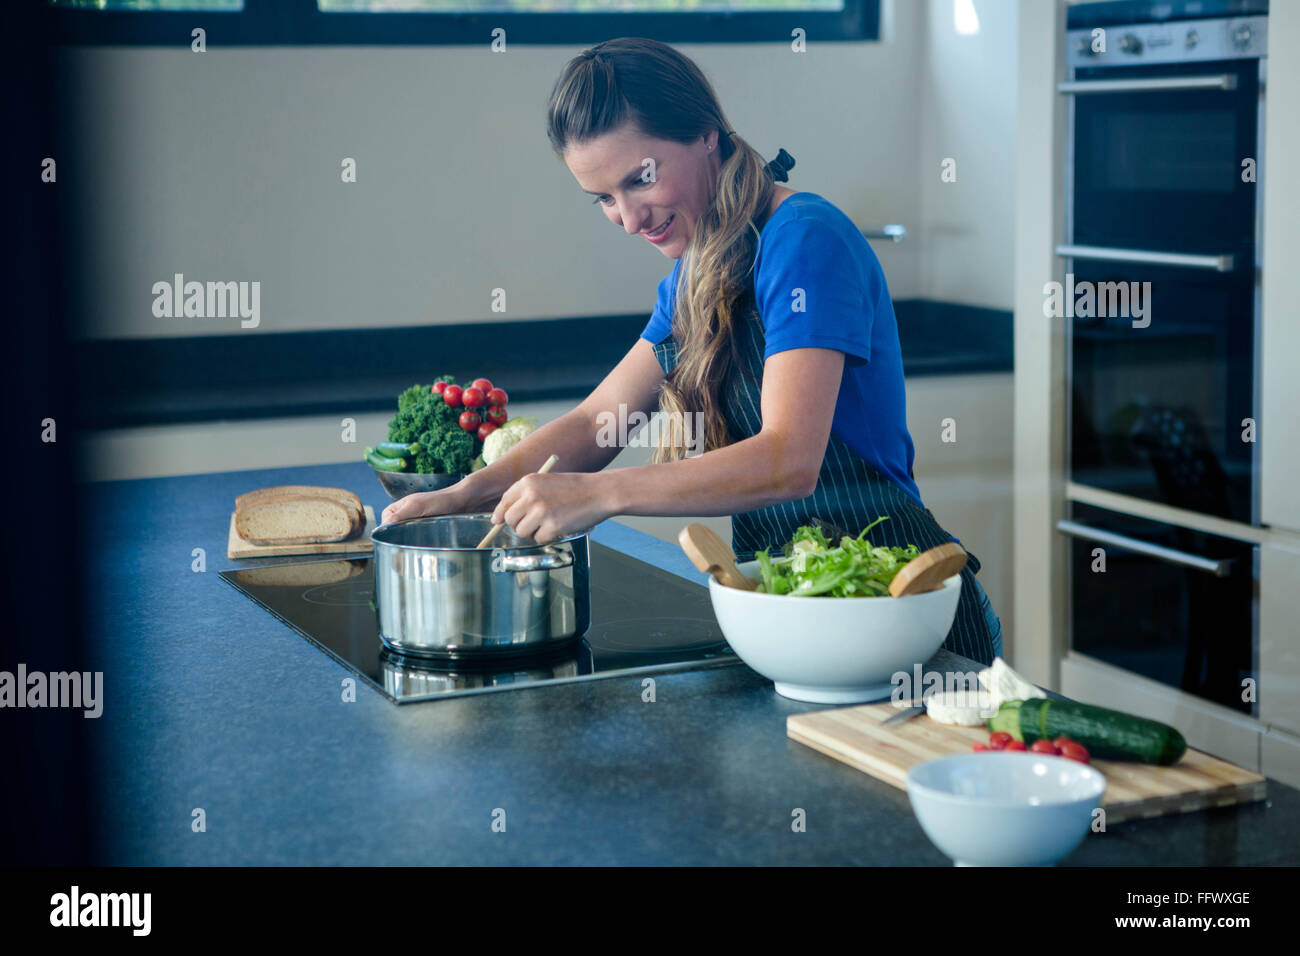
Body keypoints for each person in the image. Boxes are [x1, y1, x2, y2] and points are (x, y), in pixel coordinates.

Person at [381, 38, 1003, 664]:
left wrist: (599, 495)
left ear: (707, 134)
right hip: (792, 609)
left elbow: (790, 460)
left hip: (897, 603)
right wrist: (466, 495)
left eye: (639, 179)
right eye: (603, 197)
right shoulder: (694, 274)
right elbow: (599, 424)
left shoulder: (804, 240)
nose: (627, 217)